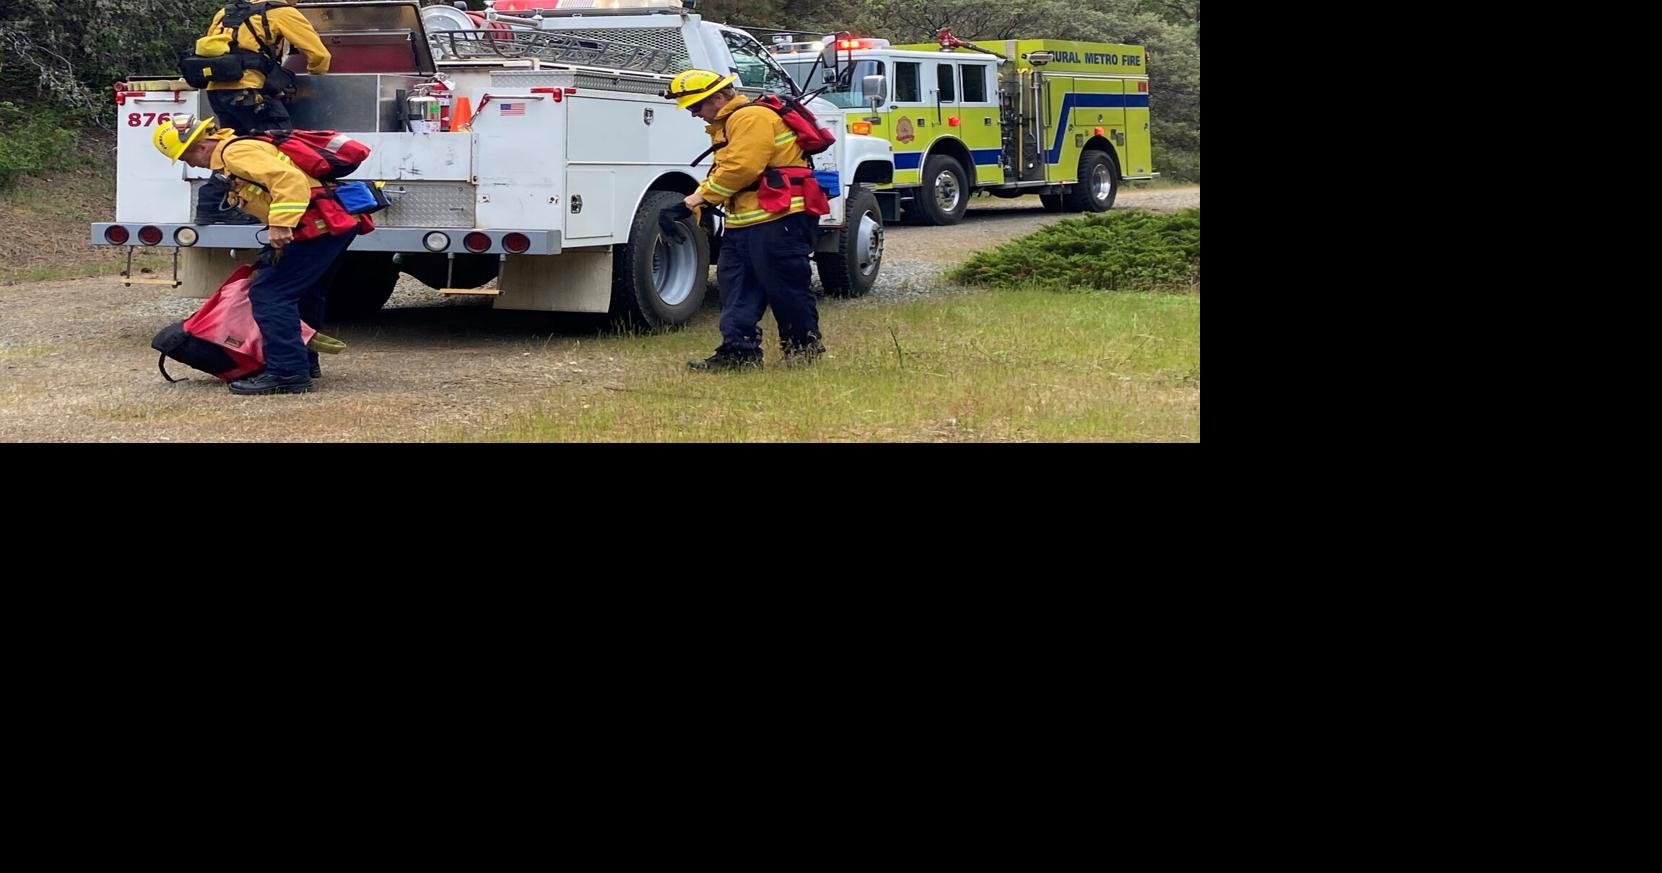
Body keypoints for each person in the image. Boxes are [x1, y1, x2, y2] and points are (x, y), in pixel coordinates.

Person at [154, 115, 363, 395]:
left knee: (270, 294)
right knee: (305, 293)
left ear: (202, 145)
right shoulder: (235, 154)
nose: (191, 164)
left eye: (187, 157)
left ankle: (287, 374)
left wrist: (280, 223)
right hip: (325, 226)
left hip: (315, 228)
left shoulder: (236, 152)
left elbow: (289, 181)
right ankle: (302, 363)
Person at [664, 69, 825, 371]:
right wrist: (695, 209)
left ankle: (803, 351)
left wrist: (695, 200)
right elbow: (726, 173)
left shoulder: (751, 118)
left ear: (720, 97)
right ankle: (738, 354)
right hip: (747, 221)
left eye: (696, 106)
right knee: (736, 289)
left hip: (780, 219)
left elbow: (743, 168)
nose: (693, 114)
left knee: (787, 289)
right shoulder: (729, 124)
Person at [195, 0, 330, 224]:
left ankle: (220, 206)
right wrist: (316, 74)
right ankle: (290, 210)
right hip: (250, 93)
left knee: (231, 149)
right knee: (280, 146)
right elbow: (319, 55)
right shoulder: (282, 12)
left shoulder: (225, 12)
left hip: (217, 91)